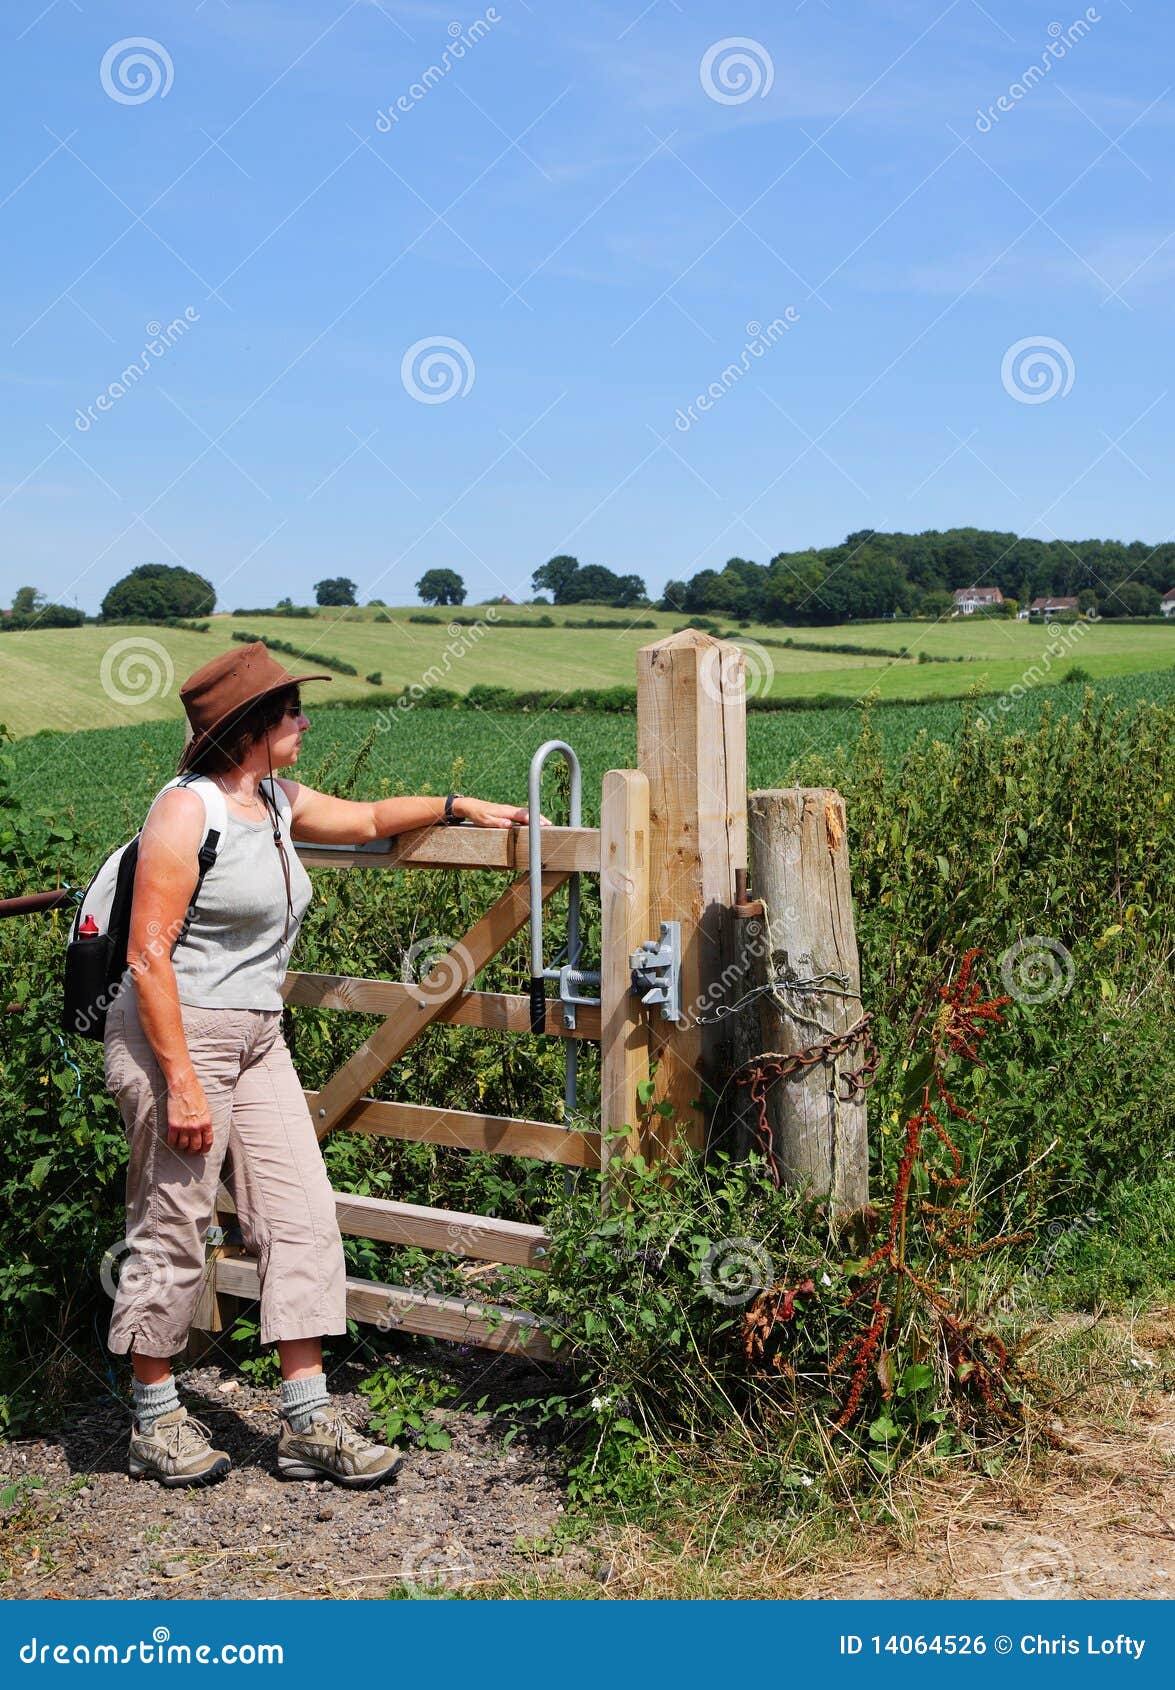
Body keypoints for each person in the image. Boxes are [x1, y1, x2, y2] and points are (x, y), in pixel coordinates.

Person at [103, 641, 547, 1489]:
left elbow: (371, 817)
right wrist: (183, 1082)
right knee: (174, 1219)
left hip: (259, 1034)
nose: (305, 722)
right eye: (290, 713)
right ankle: (154, 1418)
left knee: (301, 1215)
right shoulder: (184, 812)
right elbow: (147, 957)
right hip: (176, 1034)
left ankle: (307, 1422)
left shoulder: (273, 800)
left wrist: (460, 804)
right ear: (249, 728)